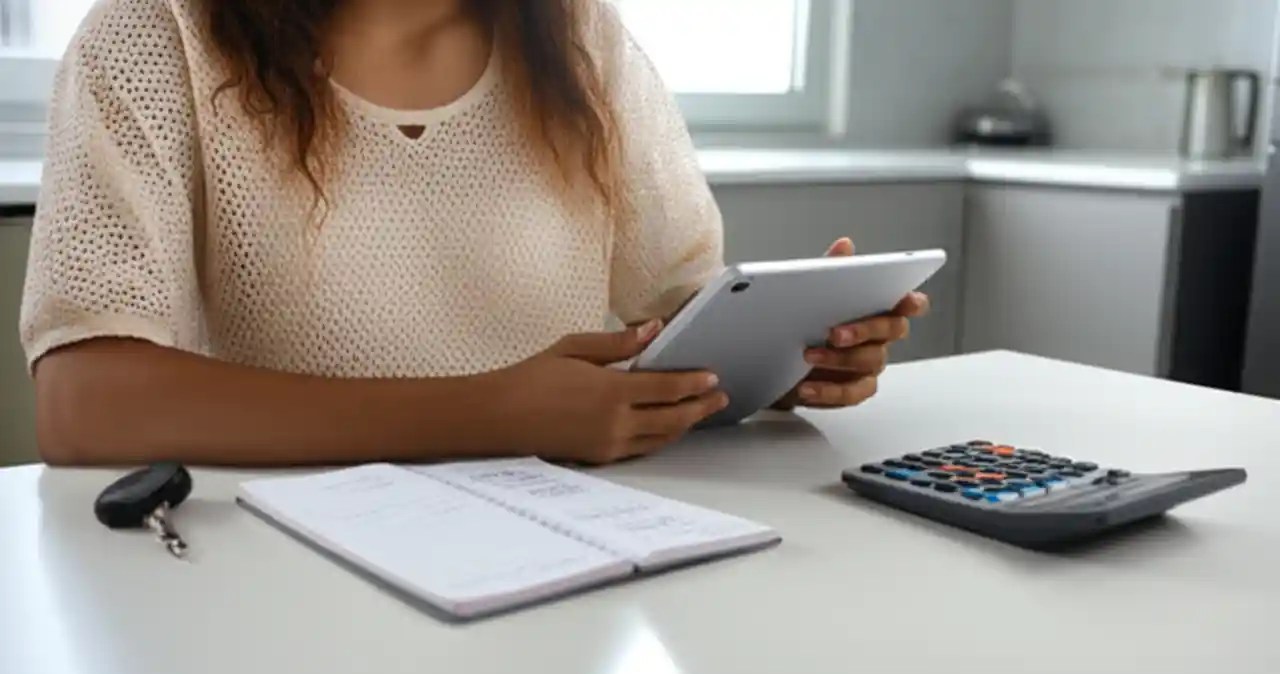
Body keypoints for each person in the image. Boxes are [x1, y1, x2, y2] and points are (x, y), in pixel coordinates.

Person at [20, 0, 928, 467]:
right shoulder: (151, 35)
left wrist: (786, 357)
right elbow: (85, 402)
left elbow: (677, 315)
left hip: (564, 572)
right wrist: (495, 413)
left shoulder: (580, 40)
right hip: (281, 585)